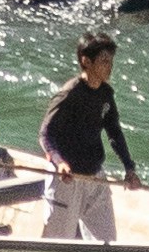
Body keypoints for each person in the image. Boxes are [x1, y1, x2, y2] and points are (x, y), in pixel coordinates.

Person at [40, 34, 139, 240]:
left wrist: (129, 168)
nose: (109, 66)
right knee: (57, 245)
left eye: (111, 61)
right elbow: (46, 135)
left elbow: (115, 133)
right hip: (66, 179)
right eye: (104, 61)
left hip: (94, 177)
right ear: (86, 61)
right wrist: (60, 163)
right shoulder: (69, 95)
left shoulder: (106, 94)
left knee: (106, 243)